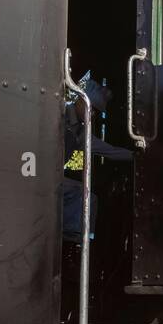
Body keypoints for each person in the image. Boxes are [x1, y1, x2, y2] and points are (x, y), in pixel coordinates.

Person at [63, 76, 132, 243]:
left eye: (95, 111)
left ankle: (82, 242)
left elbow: (110, 151)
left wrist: (139, 155)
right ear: (80, 100)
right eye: (92, 108)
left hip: (52, 176)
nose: (92, 114)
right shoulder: (58, 114)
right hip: (37, 173)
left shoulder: (81, 132)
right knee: (84, 196)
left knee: (89, 198)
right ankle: (72, 237)